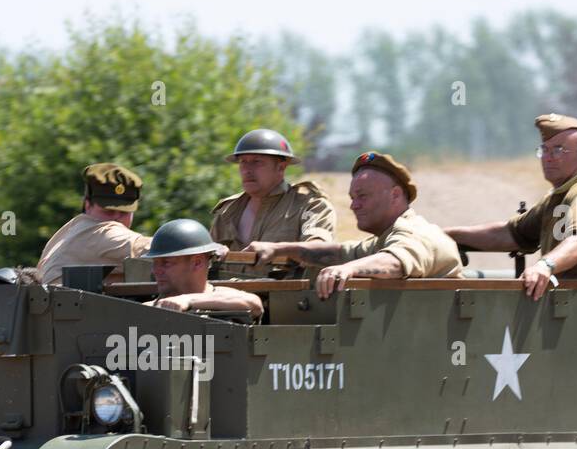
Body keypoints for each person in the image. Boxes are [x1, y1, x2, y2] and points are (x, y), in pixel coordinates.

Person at [444, 113, 577, 300]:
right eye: (544, 150)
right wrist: (443, 235)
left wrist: (545, 265)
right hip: (576, 304)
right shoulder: (558, 197)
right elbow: (511, 234)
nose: (548, 157)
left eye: (558, 150)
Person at [248, 151, 462, 299]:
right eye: (352, 197)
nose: (354, 205)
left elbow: (396, 261)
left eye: (362, 196)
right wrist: (278, 249)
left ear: (395, 194)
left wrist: (347, 270)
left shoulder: (415, 232)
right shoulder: (386, 239)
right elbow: (338, 252)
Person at [209, 129, 336, 254]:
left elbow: (319, 250)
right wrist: (212, 253)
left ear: (281, 167)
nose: (247, 170)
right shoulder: (228, 210)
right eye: (243, 162)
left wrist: (277, 250)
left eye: (256, 162)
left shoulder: (309, 206)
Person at [36, 163, 151, 285]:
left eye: (124, 212)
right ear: (87, 205)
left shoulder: (69, 231)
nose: (116, 218)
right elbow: (161, 250)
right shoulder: (99, 232)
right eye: (108, 211)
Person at [144, 219, 263, 319]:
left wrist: (188, 300)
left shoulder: (223, 296)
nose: (156, 270)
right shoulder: (147, 309)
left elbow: (254, 304)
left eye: (166, 263)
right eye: (155, 263)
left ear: (197, 262)